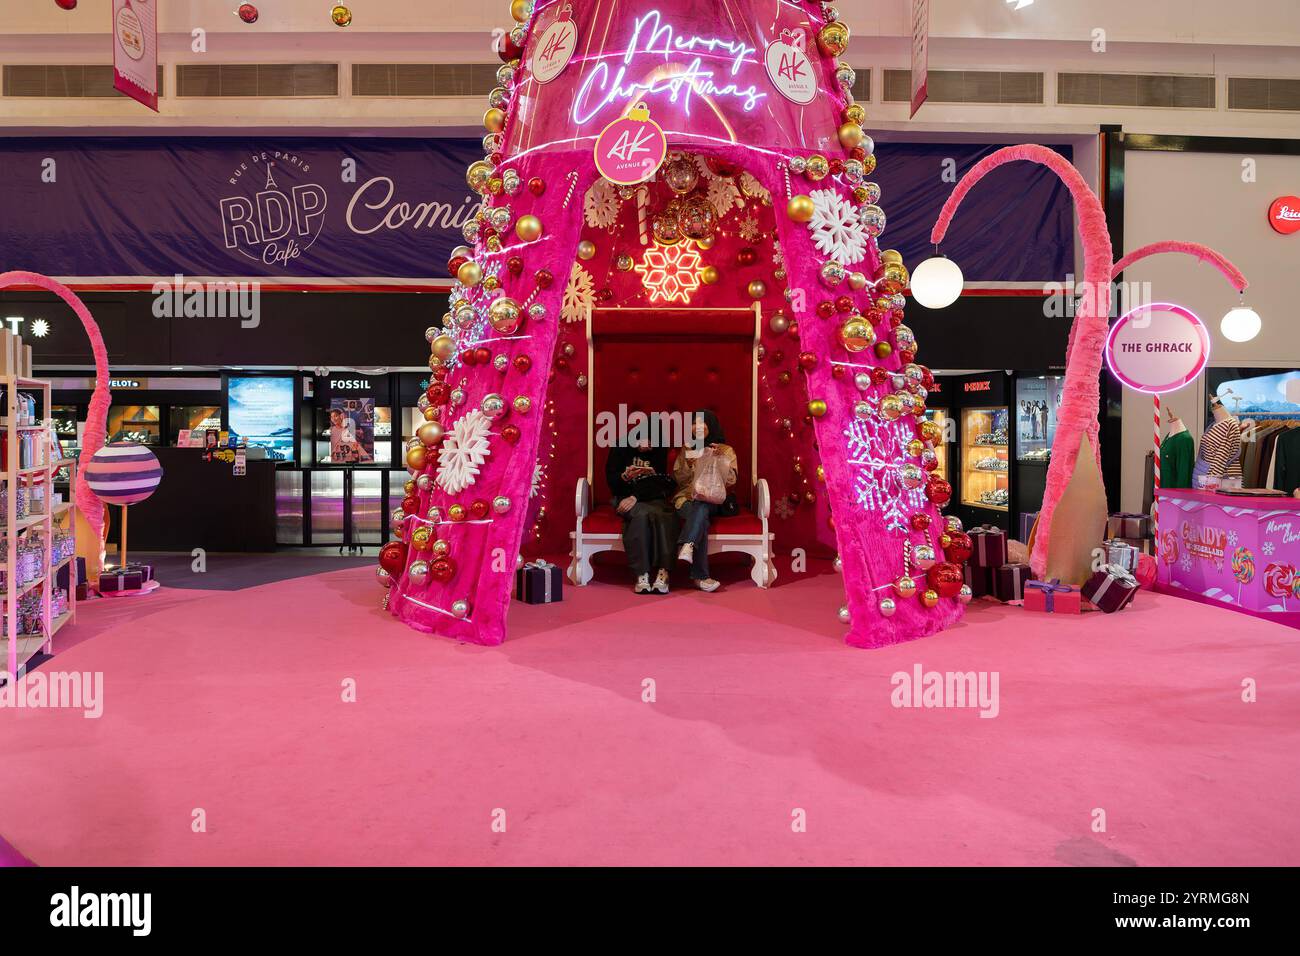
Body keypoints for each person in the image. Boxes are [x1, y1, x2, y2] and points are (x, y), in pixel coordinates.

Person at [673, 409, 737, 592]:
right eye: (694, 423)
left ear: (711, 425)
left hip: (713, 499)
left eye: (702, 423)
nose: (697, 427)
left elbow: (731, 481)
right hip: (686, 498)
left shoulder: (725, 450)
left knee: (702, 506)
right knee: (699, 512)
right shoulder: (688, 448)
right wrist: (692, 465)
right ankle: (698, 571)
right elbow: (679, 479)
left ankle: (688, 546)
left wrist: (717, 460)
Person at [605, 436, 679, 594]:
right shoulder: (621, 446)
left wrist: (650, 477)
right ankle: (642, 574)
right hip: (625, 496)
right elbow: (612, 482)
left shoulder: (660, 449)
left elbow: (664, 485)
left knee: (665, 514)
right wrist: (625, 477)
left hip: (652, 497)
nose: (649, 446)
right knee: (641, 515)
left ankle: (663, 572)